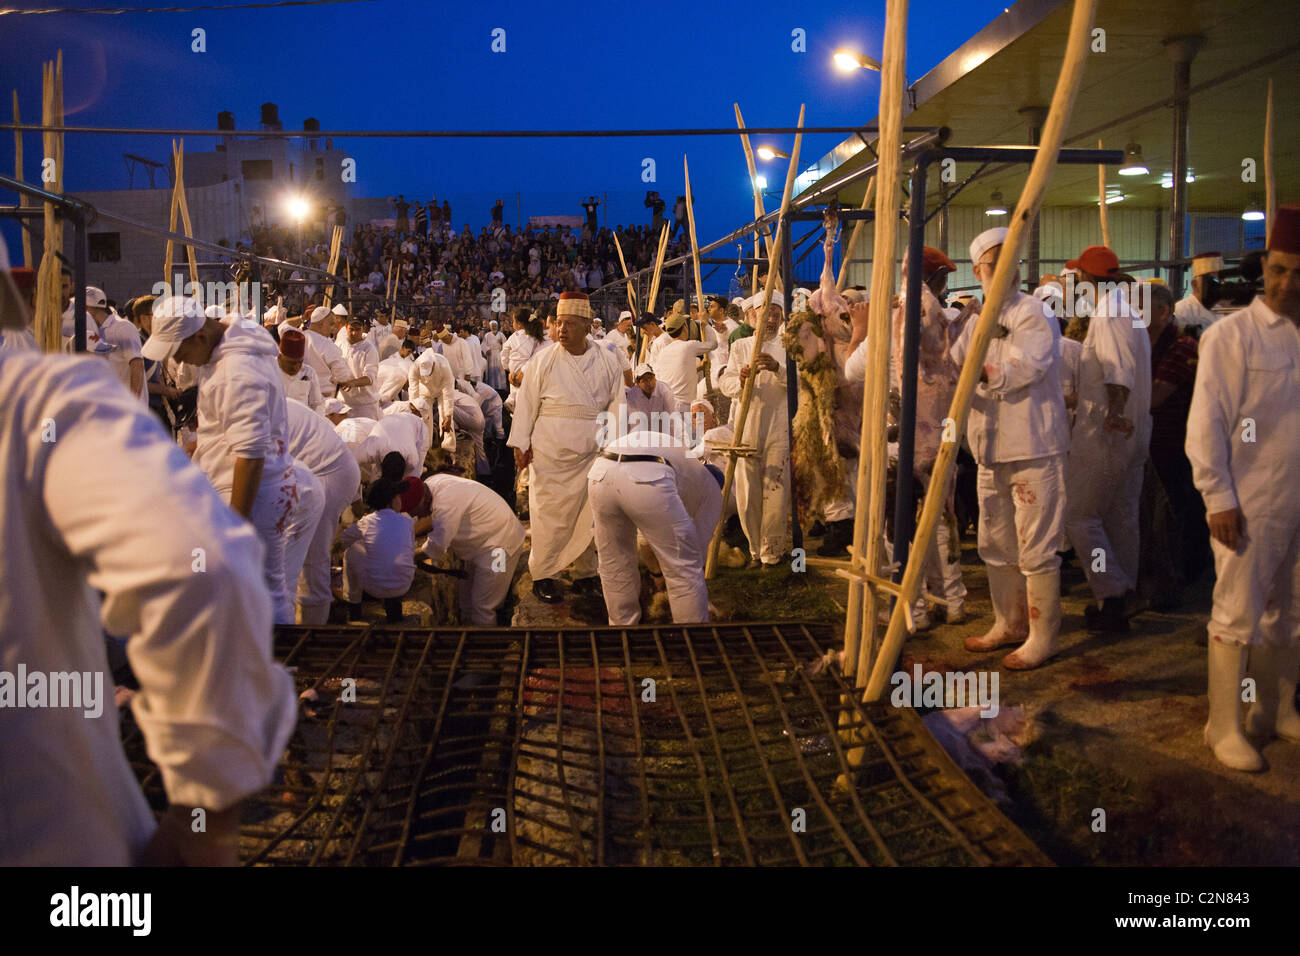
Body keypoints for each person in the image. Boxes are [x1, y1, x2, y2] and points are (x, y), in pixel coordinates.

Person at [0, 252, 295, 866]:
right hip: (57, 835)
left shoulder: (37, 404)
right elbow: (210, 572)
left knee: (277, 586)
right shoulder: (37, 404)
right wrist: (203, 823)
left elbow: (210, 561)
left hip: (48, 832)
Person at [1186, 204, 1300, 772]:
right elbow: (1206, 423)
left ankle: (1274, 710)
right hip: (1250, 504)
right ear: (1264, 268)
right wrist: (1218, 498)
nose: (1287, 283)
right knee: (1237, 614)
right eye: (1278, 269)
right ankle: (1222, 725)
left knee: (1292, 613)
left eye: (1298, 273)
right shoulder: (1232, 337)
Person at [951, 227, 1070, 669]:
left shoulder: (1033, 312)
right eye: (994, 264)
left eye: (1011, 261)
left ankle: (1043, 635)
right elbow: (952, 365)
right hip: (988, 449)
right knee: (995, 544)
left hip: (1034, 447)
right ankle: (1009, 622)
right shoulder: (974, 320)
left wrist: (978, 371)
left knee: (1036, 548)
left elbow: (1026, 367)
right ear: (978, 271)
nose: (1005, 271)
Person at [145, 297, 303, 625]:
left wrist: (236, 526)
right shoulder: (230, 338)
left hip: (252, 493)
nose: (179, 361)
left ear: (200, 336)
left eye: (180, 352)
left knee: (260, 589)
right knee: (264, 585)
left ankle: (275, 651)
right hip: (259, 485)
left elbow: (250, 454)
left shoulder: (237, 372)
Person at [507, 291, 626, 603]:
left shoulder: (607, 360)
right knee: (547, 516)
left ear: (587, 325)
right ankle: (544, 574)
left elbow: (617, 405)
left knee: (591, 515)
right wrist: (520, 443)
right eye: (558, 323)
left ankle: (587, 573)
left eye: (569, 324)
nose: (561, 330)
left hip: (593, 453)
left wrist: (614, 448)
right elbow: (526, 404)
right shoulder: (542, 360)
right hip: (550, 455)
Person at [1063, 245, 1152, 632]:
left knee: (1079, 516)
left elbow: (1119, 372)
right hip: (1132, 432)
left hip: (1108, 433)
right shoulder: (1127, 311)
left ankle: (1113, 591)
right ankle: (1120, 598)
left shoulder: (1109, 313)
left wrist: (1114, 414)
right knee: (1119, 517)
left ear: (1086, 278)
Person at [588, 428, 721, 626]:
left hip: (601, 471)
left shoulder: (687, 465)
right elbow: (695, 550)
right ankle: (691, 630)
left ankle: (622, 626)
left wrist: (657, 570)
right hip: (648, 475)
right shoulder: (712, 491)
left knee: (614, 560)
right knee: (684, 568)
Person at [718, 290, 791, 568]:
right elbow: (726, 384)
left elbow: (800, 382)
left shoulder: (788, 345)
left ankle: (772, 552)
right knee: (747, 492)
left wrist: (778, 368)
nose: (770, 318)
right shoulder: (740, 347)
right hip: (747, 426)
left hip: (778, 426)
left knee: (776, 489)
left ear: (782, 317)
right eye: (765, 312)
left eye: (776, 313)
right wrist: (741, 379)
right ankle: (755, 551)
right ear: (753, 316)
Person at [1145, 280, 1209, 587]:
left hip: (1175, 445)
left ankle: (1180, 575)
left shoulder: (1182, 346)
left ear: (1163, 312)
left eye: (1142, 308)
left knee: (1174, 512)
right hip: (1151, 443)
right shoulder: (1144, 344)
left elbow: (1155, 396)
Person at [410, 471, 526, 625]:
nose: (416, 516)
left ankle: (486, 638)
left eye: (415, 512)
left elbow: (437, 545)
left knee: (484, 606)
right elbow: (426, 522)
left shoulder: (445, 505)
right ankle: (470, 631)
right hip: (483, 543)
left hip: (501, 548)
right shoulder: (431, 485)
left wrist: (411, 556)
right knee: (466, 601)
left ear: (423, 501)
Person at [284, 396, 361, 625]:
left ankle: (312, 626)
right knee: (299, 555)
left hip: (327, 476)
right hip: (323, 473)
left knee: (311, 556)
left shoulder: (256, 412)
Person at [340, 460, 418, 623]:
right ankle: (394, 608)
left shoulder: (367, 522)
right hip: (404, 584)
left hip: (374, 587)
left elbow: (344, 539)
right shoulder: (406, 520)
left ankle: (353, 607)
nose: (400, 499)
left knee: (351, 550)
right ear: (391, 501)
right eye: (398, 496)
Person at [653, 310, 718, 408]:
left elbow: (675, 374)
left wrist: (698, 368)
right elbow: (713, 344)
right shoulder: (689, 346)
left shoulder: (663, 352)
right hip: (684, 406)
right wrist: (706, 324)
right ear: (684, 327)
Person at [339, 315, 381, 420]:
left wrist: (352, 383)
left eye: (358, 329)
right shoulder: (339, 345)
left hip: (365, 406)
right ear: (346, 327)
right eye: (351, 329)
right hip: (343, 404)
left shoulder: (369, 349)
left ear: (363, 328)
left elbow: (370, 378)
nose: (354, 333)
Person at [1174, 251, 1225, 336]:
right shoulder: (1182, 310)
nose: (1216, 286)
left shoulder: (1219, 309)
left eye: (1219, 282)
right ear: (1194, 284)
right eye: (1211, 282)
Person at [277, 328, 323, 411]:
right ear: (279, 358)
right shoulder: (268, 372)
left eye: (300, 362)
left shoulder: (309, 373)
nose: (297, 367)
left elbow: (317, 404)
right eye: (292, 363)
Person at [626, 363, 682, 429]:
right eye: (645, 380)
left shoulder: (665, 391)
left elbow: (671, 420)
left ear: (655, 378)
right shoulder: (632, 396)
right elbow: (634, 424)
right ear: (638, 384)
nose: (649, 383)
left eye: (651, 378)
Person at [481, 319, 507, 390]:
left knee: (500, 369)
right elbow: (483, 345)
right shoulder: (487, 335)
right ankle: (492, 386)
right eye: (492, 326)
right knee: (492, 370)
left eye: (495, 326)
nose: (494, 327)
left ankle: (501, 386)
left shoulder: (501, 335)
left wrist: (501, 343)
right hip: (491, 355)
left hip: (499, 353)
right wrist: (487, 350)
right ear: (490, 327)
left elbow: (506, 344)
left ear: (497, 326)